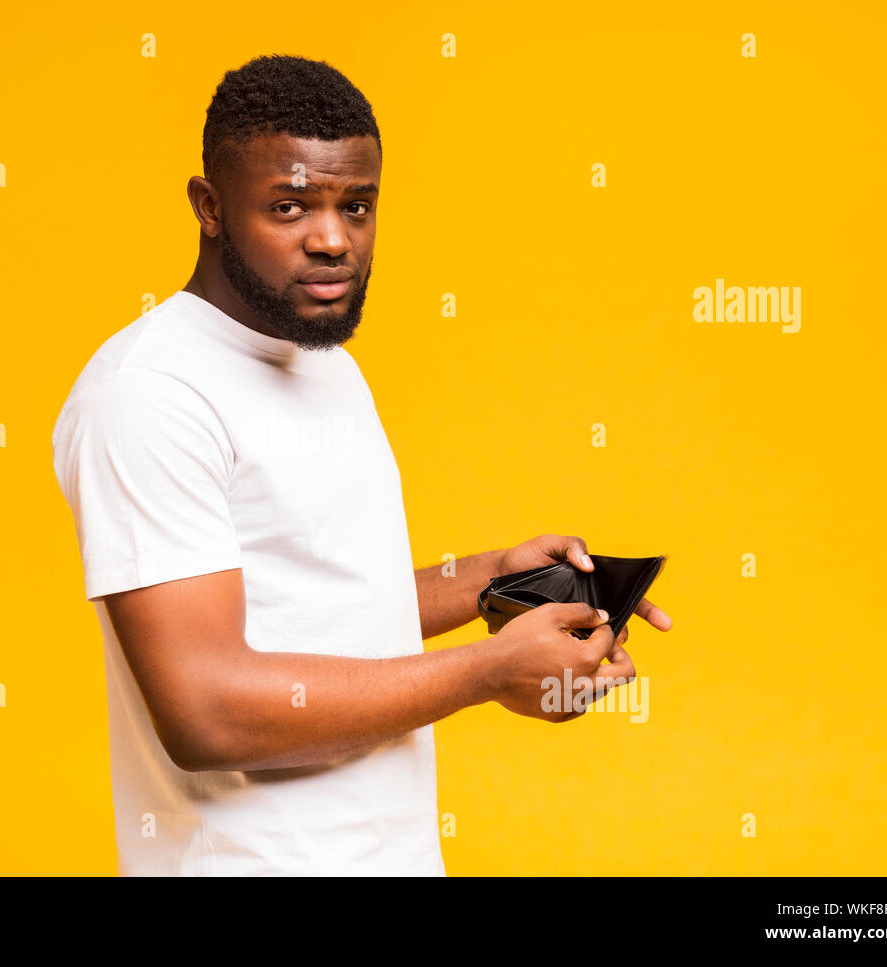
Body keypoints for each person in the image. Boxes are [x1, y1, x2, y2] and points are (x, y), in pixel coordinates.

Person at [51, 53, 673, 876]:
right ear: (208, 207)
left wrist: (494, 582)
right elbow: (205, 711)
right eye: (289, 206)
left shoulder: (323, 360)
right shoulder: (151, 394)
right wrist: (490, 671)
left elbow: (320, 607)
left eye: (358, 205)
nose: (333, 238)